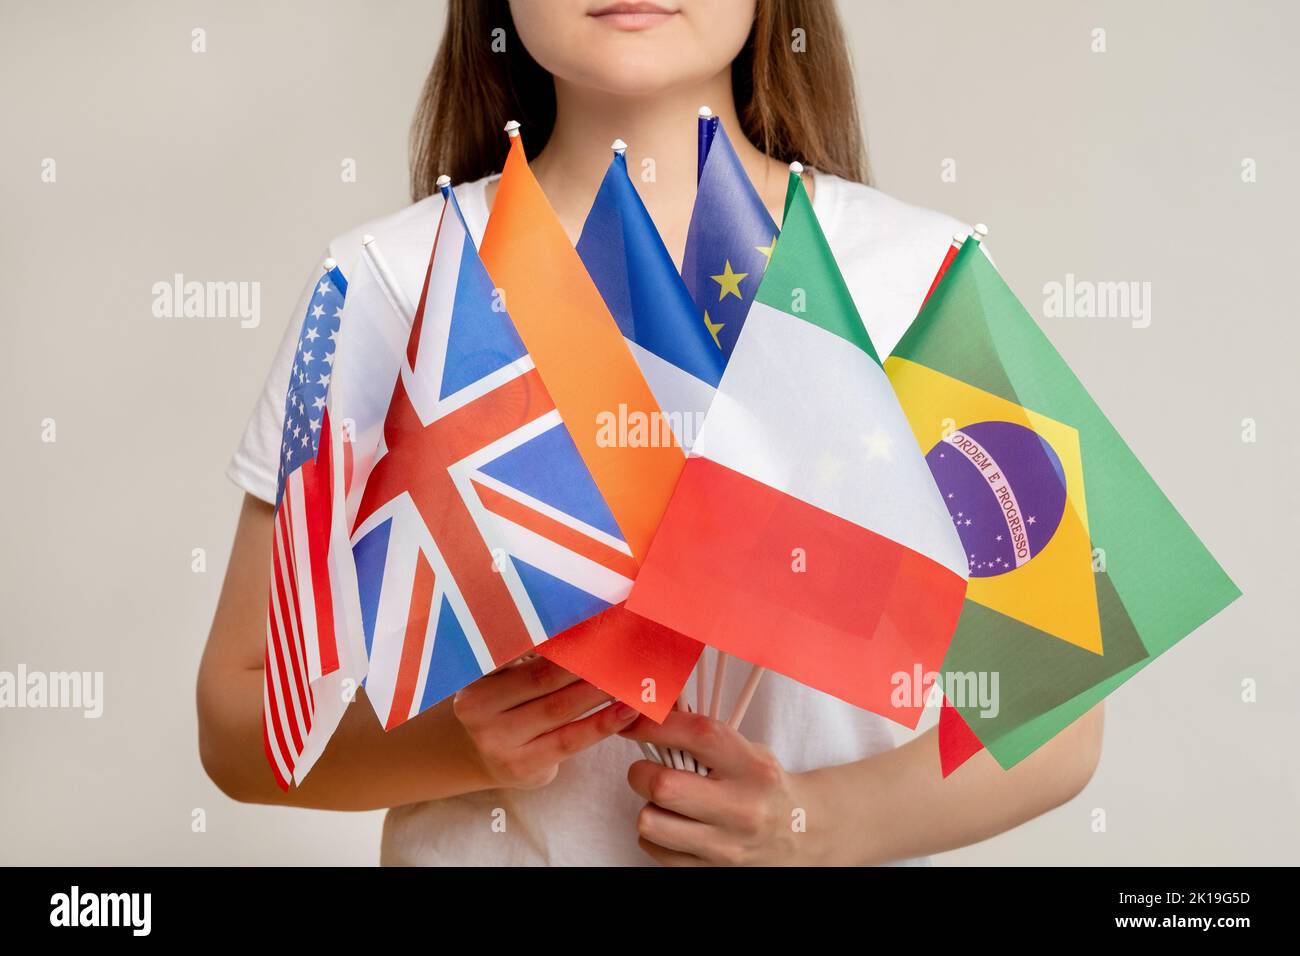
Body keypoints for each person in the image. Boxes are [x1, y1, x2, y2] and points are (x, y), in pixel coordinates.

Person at [198, 0, 1102, 866]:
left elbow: (1057, 709)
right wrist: (459, 747)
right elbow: (236, 719)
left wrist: (817, 826)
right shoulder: (388, 285)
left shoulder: (920, 274)